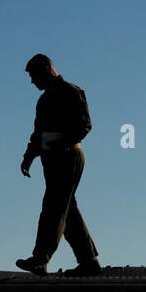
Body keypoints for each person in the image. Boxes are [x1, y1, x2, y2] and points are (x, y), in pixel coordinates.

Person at [16, 53, 101, 276]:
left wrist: (57, 142)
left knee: (53, 207)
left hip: (69, 157)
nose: (32, 82)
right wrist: (28, 157)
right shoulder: (43, 101)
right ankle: (89, 261)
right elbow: (38, 135)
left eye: (34, 76)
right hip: (51, 161)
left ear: (46, 69)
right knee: (67, 209)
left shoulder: (71, 92)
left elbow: (84, 126)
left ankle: (40, 258)